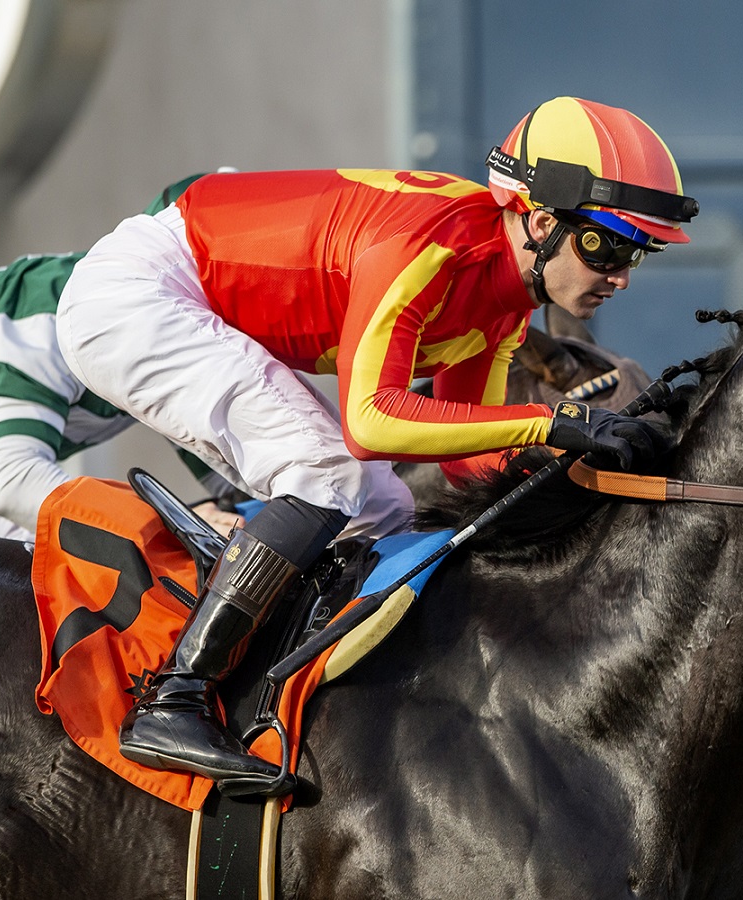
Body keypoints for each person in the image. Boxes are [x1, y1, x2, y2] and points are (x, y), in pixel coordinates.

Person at [55, 96, 698, 795]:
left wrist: (576, 462)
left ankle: (282, 696)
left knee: (383, 506)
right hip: (140, 293)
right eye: (608, 246)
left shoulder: (505, 298)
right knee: (329, 474)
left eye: (640, 251)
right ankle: (174, 697)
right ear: (541, 222)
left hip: (183, 296)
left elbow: (463, 455)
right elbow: (371, 422)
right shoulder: (431, 247)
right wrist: (551, 423)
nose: (622, 276)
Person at [0, 174, 245, 543]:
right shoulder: (43, 316)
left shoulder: (159, 319)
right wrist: (171, 525)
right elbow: (14, 485)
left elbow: (240, 484)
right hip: (1, 479)